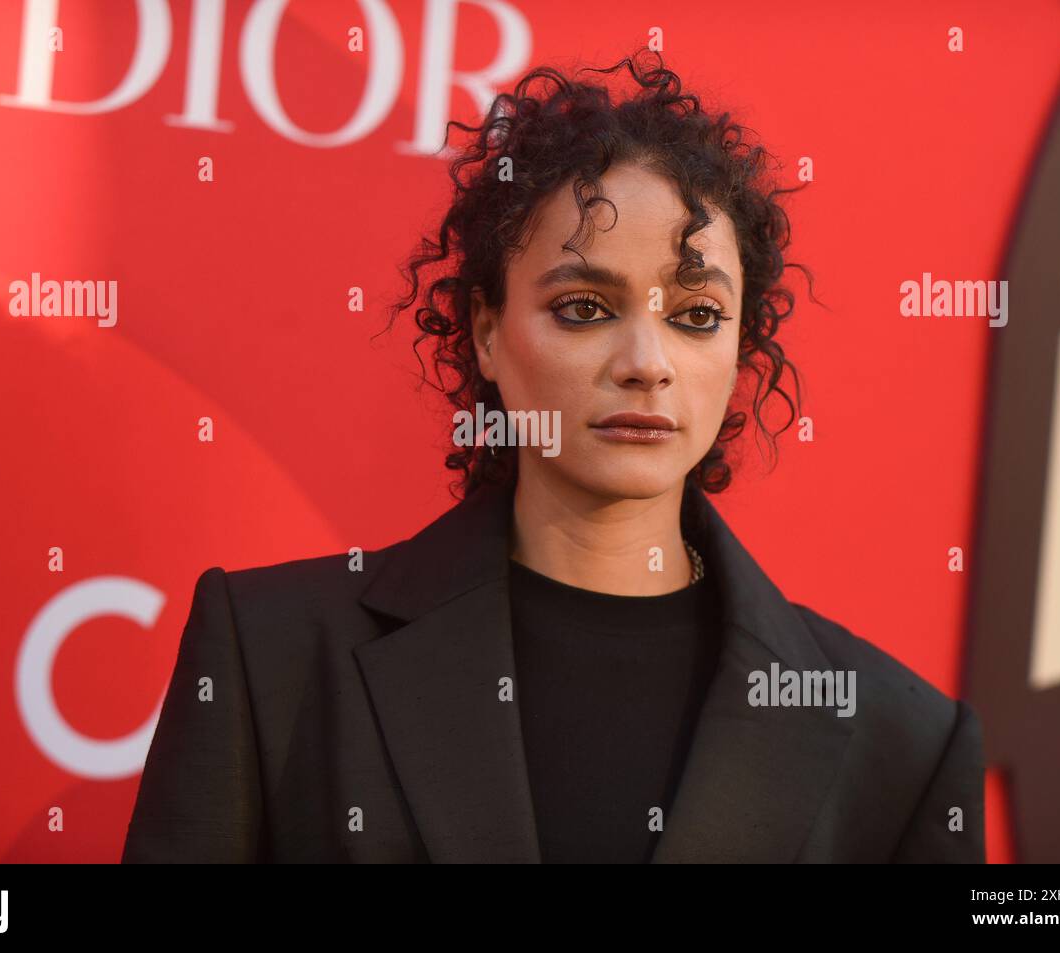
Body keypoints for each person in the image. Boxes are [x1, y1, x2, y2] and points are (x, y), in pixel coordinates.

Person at [121, 50, 985, 863]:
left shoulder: (898, 739)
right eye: (583, 307)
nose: (647, 362)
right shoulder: (271, 657)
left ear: (741, 351)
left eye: (694, 315)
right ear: (487, 332)